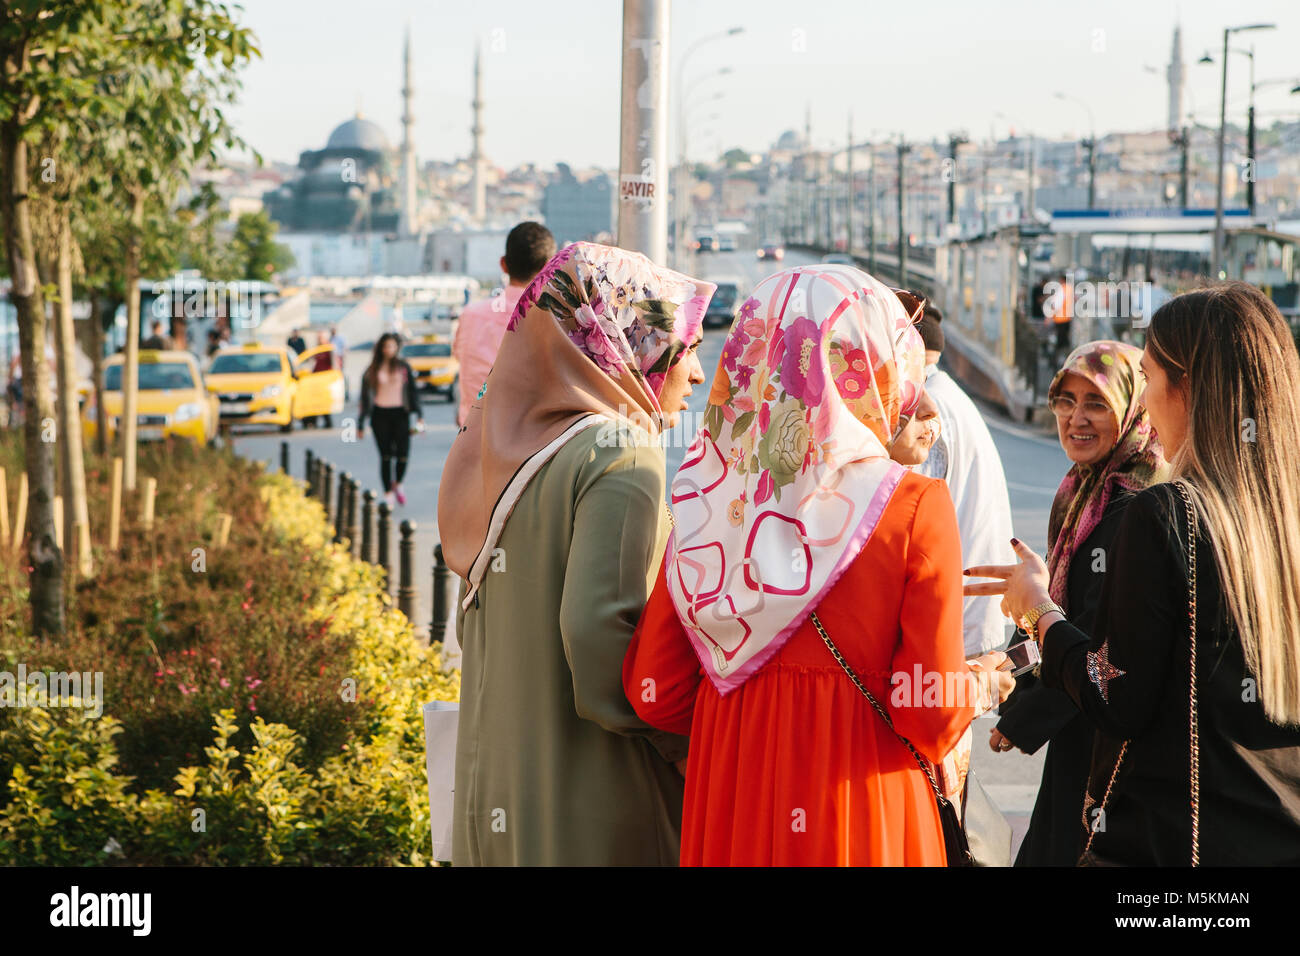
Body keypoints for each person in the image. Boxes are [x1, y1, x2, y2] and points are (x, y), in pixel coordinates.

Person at [624, 266, 1014, 866]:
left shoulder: (706, 506)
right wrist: (983, 678)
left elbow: (658, 693)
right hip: (861, 808)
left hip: (733, 805)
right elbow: (929, 713)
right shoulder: (912, 506)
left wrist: (751, 715)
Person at [976, 283, 1300, 865]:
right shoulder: (1282, 515)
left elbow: (1115, 694)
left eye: (1147, 378)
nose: (1145, 402)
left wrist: (1036, 610)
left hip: (1180, 845)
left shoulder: (1166, 513)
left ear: (1189, 389)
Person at [437, 242, 714, 866]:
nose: (696, 374)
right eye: (687, 350)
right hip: (596, 810)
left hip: (500, 799)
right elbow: (599, 637)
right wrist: (687, 742)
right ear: (628, 345)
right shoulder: (620, 451)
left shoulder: (506, 454)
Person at [972, 340, 1167, 866]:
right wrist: (1008, 666)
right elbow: (1056, 605)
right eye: (1065, 401)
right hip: (1081, 729)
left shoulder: (1136, 507)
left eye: (1096, 404)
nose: (1075, 419)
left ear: (1133, 409)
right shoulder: (1082, 492)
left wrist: (1022, 718)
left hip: (1108, 743)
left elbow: (1094, 632)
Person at [914, 304, 1016, 657]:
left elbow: (912, 523)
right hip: (968, 617)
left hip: (949, 626)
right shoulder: (949, 394)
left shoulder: (927, 410)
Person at [452, 221, 556, 427]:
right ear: (550, 267)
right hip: (532, 441)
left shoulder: (470, 315)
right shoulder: (556, 319)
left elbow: (459, 357)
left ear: (503, 264)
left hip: (475, 438)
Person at [358, 332, 423, 508]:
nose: (389, 349)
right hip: (380, 416)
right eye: (386, 346)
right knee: (385, 456)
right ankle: (388, 494)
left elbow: (413, 393)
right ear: (381, 348)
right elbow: (364, 399)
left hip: (401, 414)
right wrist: (360, 424)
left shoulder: (403, 367)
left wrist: (420, 416)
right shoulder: (373, 369)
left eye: (392, 346)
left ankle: (399, 484)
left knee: (402, 455)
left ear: (397, 347)